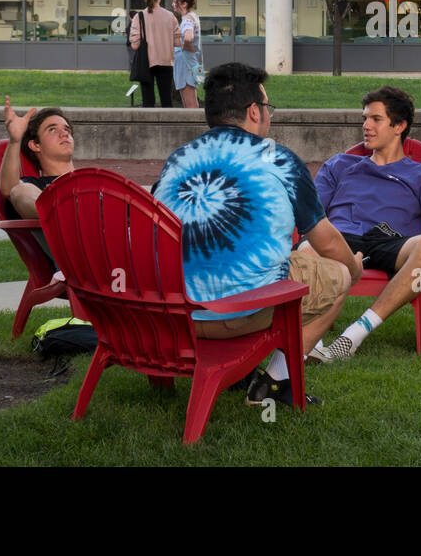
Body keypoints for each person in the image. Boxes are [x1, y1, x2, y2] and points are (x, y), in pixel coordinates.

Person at [153, 62, 363, 408]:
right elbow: (324, 239)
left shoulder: (177, 159)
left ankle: (243, 375)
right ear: (253, 111)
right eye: (268, 108)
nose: (270, 115)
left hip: (172, 313)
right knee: (336, 274)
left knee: (298, 259)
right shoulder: (279, 160)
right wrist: (353, 271)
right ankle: (275, 384)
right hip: (236, 315)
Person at [309, 86, 421, 362]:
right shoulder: (339, 165)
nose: (366, 126)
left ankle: (352, 337)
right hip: (340, 239)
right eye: (365, 118)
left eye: (376, 119)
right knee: (307, 246)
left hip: (389, 243)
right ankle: (312, 340)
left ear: (399, 126)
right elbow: (311, 213)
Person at [0, 97, 75, 223]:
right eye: (52, 129)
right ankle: (69, 215)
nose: (64, 134)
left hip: (106, 238)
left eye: (66, 129)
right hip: (62, 237)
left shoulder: (92, 180)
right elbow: (9, 189)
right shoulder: (33, 187)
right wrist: (15, 140)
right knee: (20, 191)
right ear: (35, 145)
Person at [129, 0, 181, 107]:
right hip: (166, 62)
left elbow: (135, 45)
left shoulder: (138, 17)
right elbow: (178, 42)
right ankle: (168, 125)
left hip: (146, 62)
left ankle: (148, 126)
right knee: (166, 99)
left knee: (147, 100)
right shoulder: (170, 16)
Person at [172, 0, 204, 109]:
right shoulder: (192, 16)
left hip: (186, 64)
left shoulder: (187, 19)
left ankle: (194, 128)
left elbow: (189, 37)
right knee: (189, 102)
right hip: (190, 63)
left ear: (184, 4)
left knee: (190, 103)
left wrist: (184, 46)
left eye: (175, 2)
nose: (173, 5)